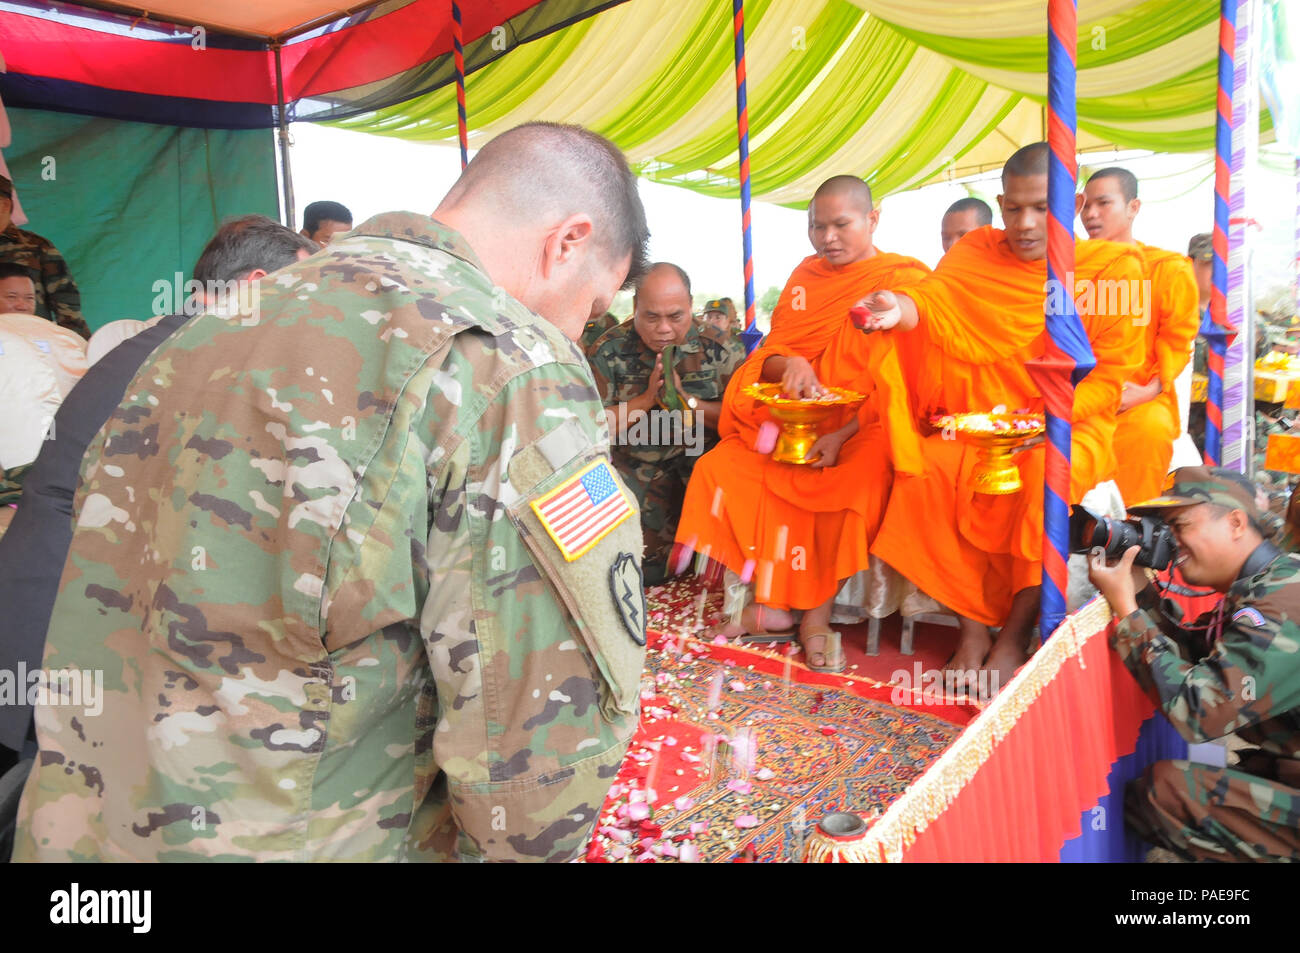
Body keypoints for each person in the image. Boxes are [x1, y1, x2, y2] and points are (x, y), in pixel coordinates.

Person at [11, 121, 651, 863]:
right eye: (594, 306)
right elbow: (534, 770)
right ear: (567, 241)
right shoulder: (508, 364)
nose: (580, 329)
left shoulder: (199, 332)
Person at [0, 216, 315, 797]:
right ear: (259, 284)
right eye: (304, 294)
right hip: (61, 622)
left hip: (56, 607)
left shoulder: (175, 340)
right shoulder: (200, 358)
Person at [859, 143, 1145, 684]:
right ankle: (971, 629)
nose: (1026, 223)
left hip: (1069, 424)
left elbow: (1112, 377)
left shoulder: (1113, 271)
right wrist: (898, 309)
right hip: (983, 422)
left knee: (1040, 479)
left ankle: (1013, 633)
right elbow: (934, 302)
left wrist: (1045, 421)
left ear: (1074, 202)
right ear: (999, 203)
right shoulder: (975, 252)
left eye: (1042, 207)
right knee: (929, 472)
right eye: (1013, 208)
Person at [673, 176, 929, 671]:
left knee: (852, 483)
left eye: (841, 224)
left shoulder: (903, 282)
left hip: (863, 426)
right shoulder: (805, 278)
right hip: (795, 417)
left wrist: (839, 434)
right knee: (721, 465)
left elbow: (908, 381)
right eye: (816, 226)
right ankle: (772, 605)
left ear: (873, 220)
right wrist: (789, 363)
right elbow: (769, 354)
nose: (827, 237)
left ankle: (815, 617)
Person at [1088, 467, 1300, 862]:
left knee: (1168, 793)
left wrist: (1127, 612)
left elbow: (1201, 711)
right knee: (1150, 801)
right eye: (1163, 530)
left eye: (1179, 525)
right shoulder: (1265, 584)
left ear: (1236, 523)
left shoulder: (1285, 601)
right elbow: (1196, 656)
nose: (1171, 543)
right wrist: (1140, 594)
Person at [588, 262, 743, 586]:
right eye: (651, 317)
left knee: (717, 575)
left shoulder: (720, 348)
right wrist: (645, 400)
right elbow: (590, 429)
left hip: (701, 469)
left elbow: (743, 420)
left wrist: (688, 401)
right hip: (634, 470)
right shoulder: (609, 349)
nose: (663, 329)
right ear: (635, 309)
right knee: (635, 573)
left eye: (675, 316)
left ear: (691, 308)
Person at [1079, 167, 1199, 506]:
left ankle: (1131, 538)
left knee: (1150, 429)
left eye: (1103, 203)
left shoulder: (1166, 269)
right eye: (1085, 204)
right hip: (1079, 396)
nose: (1091, 214)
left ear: (1133, 207)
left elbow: (1178, 342)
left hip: (1139, 398)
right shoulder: (1069, 268)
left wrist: (1148, 391)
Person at [0, 174, 89, 339]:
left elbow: (66, 303)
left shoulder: (36, 246)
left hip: (30, 345)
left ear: (5, 205)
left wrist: (74, 347)